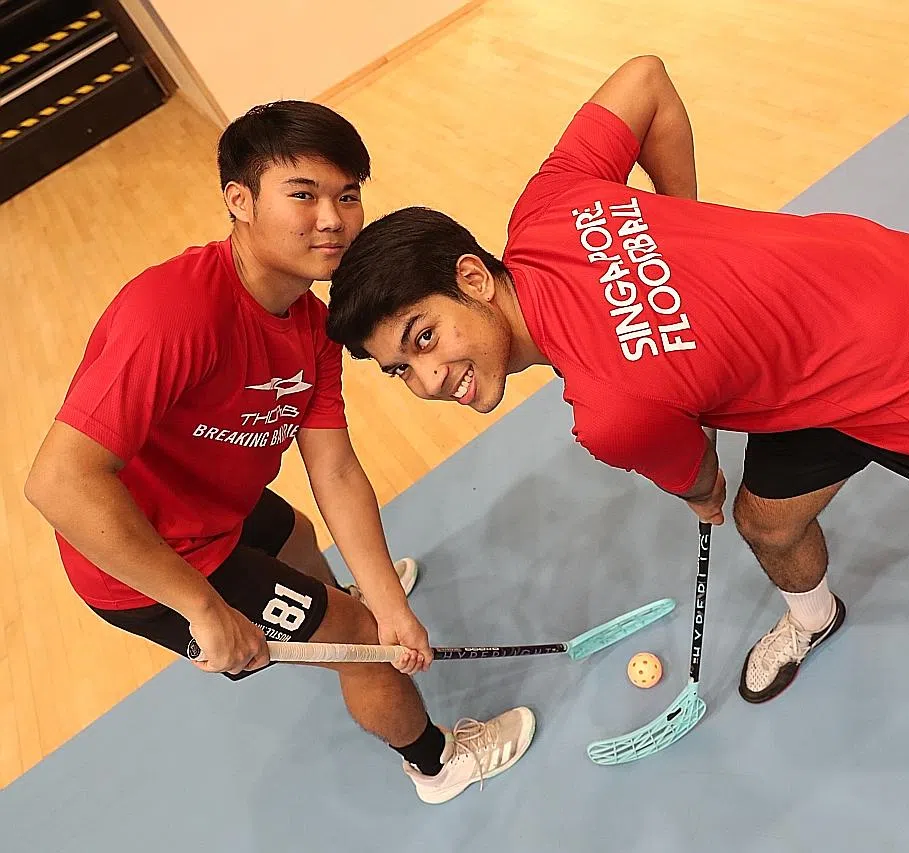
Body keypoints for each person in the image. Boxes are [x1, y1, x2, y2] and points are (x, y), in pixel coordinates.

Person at [323, 56, 909, 706]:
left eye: (424, 336)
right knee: (769, 520)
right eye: (399, 369)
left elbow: (698, 478)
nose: (431, 375)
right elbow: (646, 79)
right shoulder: (548, 207)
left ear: (473, 278)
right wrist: (676, 229)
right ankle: (813, 613)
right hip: (833, 341)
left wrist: (694, 489)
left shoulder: (610, 410)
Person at [24, 100, 534, 803]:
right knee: (357, 639)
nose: (332, 218)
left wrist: (389, 599)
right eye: (303, 194)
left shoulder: (311, 319)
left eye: (347, 194)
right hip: (150, 558)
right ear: (239, 200)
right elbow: (58, 483)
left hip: (211, 504)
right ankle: (437, 764)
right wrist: (200, 607)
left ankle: (337, 602)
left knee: (294, 531)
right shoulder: (174, 314)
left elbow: (334, 465)